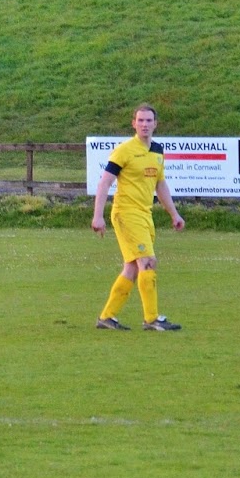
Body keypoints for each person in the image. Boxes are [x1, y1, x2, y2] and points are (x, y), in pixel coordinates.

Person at [91, 103, 185, 332]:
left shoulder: (157, 151)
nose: (144, 124)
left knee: (132, 268)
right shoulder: (124, 150)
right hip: (126, 214)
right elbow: (104, 182)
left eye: (148, 120)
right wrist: (98, 216)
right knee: (148, 262)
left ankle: (107, 317)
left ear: (156, 124)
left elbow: (160, 184)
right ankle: (152, 319)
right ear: (133, 123)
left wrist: (174, 213)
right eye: (140, 120)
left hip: (145, 214)